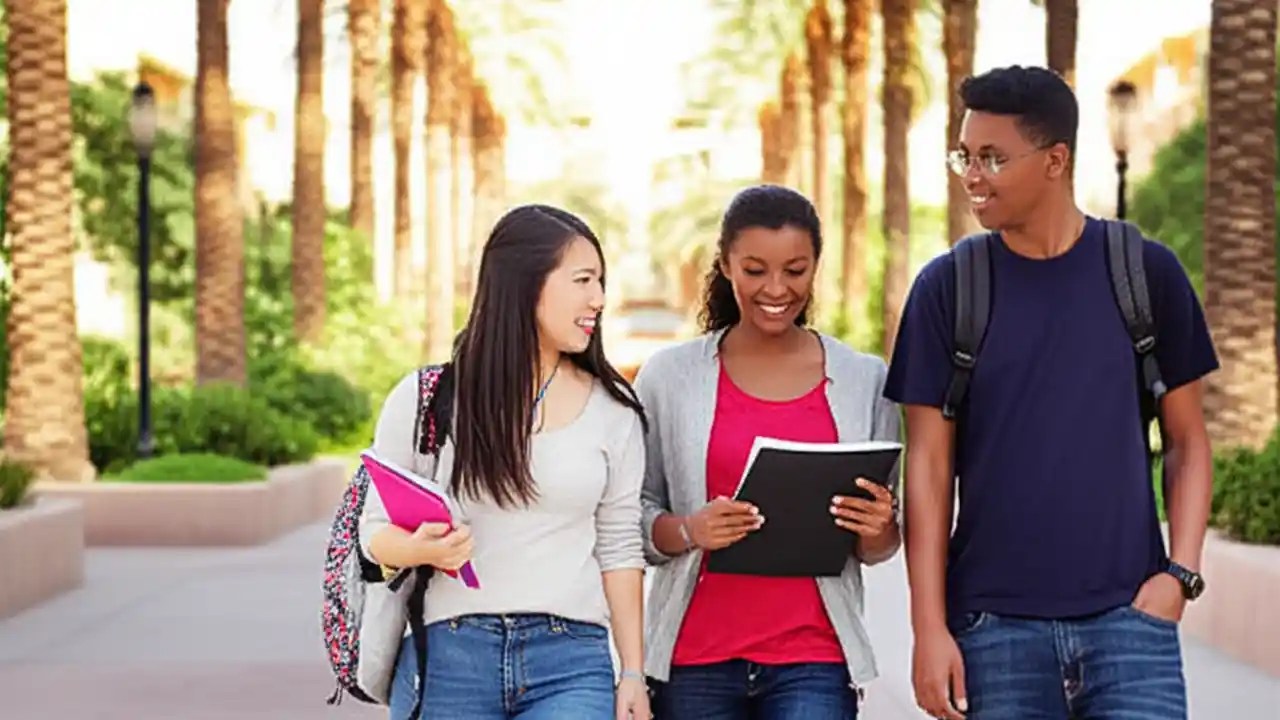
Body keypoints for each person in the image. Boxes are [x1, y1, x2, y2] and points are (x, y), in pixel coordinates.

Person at [885, 65, 1218, 720]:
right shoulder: (947, 291)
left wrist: (1179, 576)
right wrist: (930, 629)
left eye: (991, 158)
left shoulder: (1146, 274)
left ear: (1055, 160)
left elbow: (1187, 441)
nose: (971, 175)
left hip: (1131, 626)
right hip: (993, 632)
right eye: (964, 155)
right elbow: (926, 468)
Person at [359, 204, 652, 720]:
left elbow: (620, 545)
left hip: (572, 660)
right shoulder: (429, 398)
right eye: (584, 280)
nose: (599, 299)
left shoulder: (614, 411)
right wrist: (418, 547)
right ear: (525, 284)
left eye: (600, 281)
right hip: (449, 655)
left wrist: (632, 673)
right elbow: (371, 535)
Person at [634, 184, 902, 719]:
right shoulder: (670, 378)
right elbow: (630, 516)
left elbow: (877, 546)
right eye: (755, 270)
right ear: (726, 265)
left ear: (815, 266)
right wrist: (690, 529)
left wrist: (879, 528)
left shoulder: (862, 379)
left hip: (815, 660)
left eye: (795, 270)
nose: (776, 288)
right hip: (695, 662)